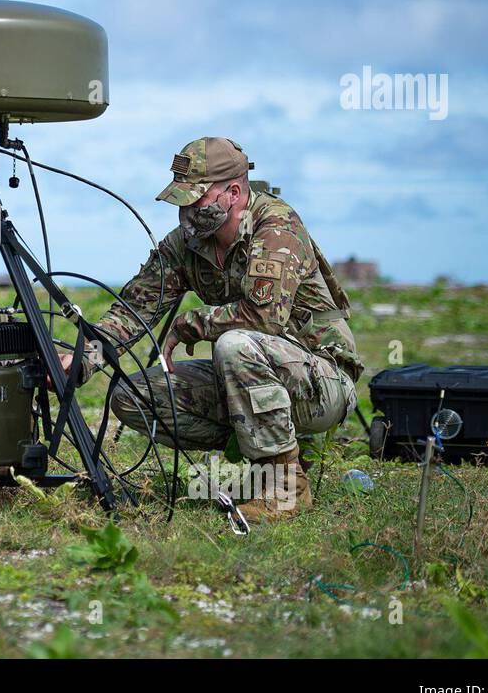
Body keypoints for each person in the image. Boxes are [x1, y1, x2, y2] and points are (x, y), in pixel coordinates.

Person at [76, 137, 363, 522]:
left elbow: (264, 317)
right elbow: (133, 311)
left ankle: (286, 489)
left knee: (234, 344)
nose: (186, 211)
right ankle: (272, 451)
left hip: (322, 381)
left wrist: (192, 323)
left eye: (196, 199)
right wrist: (81, 360)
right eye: (181, 201)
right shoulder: (186, 244)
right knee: (132, 397)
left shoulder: (276, 226)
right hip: (251, 381)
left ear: (233, 193)